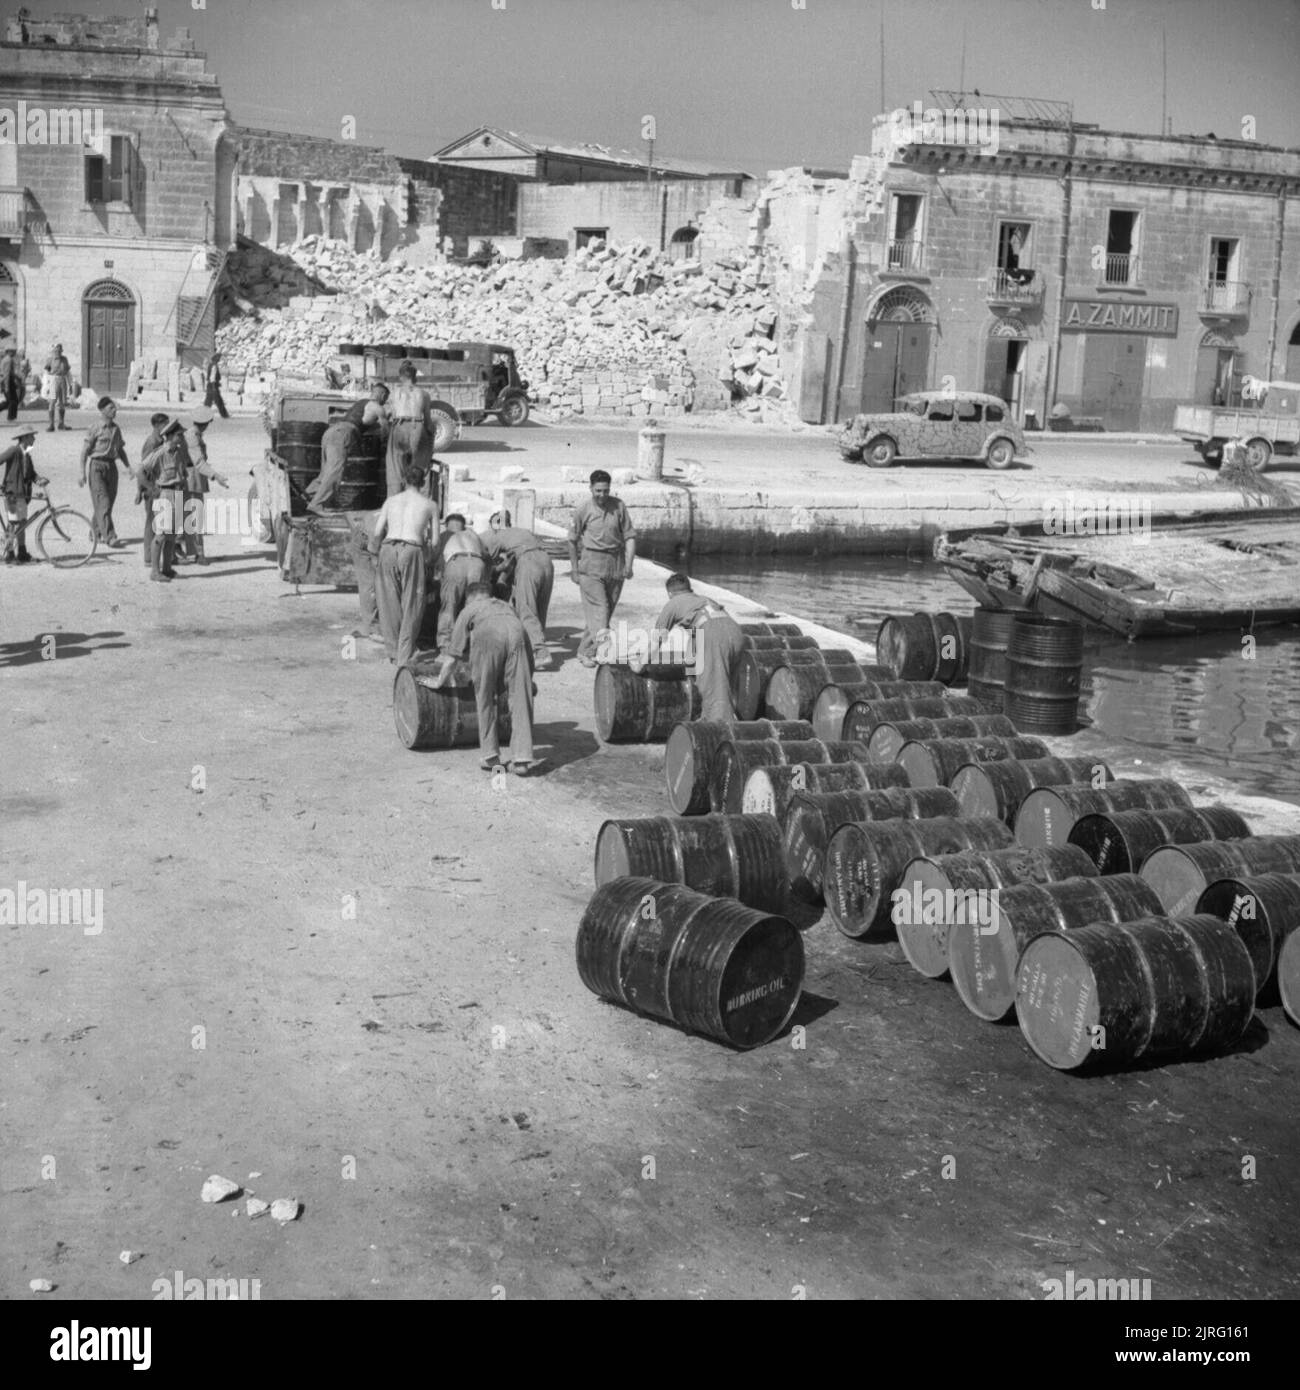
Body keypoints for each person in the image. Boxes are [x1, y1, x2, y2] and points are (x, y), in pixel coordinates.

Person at [427, 580, 536, 775]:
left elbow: (453, 656)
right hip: (516, 630)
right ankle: (521, 760)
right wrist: (528, 680)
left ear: (470, 598)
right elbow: (527, 648)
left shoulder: (470, 609)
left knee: (485, 696)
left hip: (489, 635)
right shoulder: (506, 606)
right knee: (520, 699)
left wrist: (440, 680)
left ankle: (490, 756)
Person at [371, 462, 438, 667]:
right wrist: (428, 561)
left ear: (404, 481)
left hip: (388, 548)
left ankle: (393, 652)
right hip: (412, 549)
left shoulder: (391, 501)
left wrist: (375, 555)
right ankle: (404, 654)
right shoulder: (430, 504)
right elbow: (435, 541)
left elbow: (377, 532)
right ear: (423, 482)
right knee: (412, 603)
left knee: (388, 601)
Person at [568, 469, 636, 667]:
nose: (602, 495)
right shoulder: (583, 510)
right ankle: (605, 647)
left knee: (604, 613)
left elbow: (630, 536)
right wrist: (574, 569)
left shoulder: (619, 507)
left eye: (605, 491)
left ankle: (585, 651)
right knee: (601, 610)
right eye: (598, 491)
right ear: (590, 489)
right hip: (591, 565)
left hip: (615, 565)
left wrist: (629, 565)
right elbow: (571, 540)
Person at [656, 573, 745, 722]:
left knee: (717, 692)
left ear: (670, 593)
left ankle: (720, 733)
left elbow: (656, 640)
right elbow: (698, 632)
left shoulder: (674, 603)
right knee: (728, 684)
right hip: (736, 634)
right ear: (690, 589)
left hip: (714, 635)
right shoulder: (704, 600)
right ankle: (726, 717)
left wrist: (640, 664)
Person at [481, 511, 555, 668]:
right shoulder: (522, 532)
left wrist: (495, 571)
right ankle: (535, 651)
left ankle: (540, 652)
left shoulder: (496, 536)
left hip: (528, 562)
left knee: (526, 608)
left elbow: (488, 562)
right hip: (546, 561)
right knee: (540, 607)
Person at [308, 383, 389, 514]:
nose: (385, 402)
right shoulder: (378, 408)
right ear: (383, 395)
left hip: (331, 431)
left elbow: (363, 420)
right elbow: (385, 431)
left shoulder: (362, 403)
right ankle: (317, 504)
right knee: (336, 470)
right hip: (343, 434)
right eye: (386, 399)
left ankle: (307, 496)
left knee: (326, 472)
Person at [79, 396, 131, 548]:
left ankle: (94, 531)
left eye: (114, 407)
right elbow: (84, 451)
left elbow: (120, 449)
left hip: (111, 468)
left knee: (106, 503)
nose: (114, 410)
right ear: (101, 410)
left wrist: (128, 467)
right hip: (97, 467)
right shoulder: (95, 428)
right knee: (104, 502)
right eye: (110, 408)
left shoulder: (116, 429)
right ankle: (110, 536)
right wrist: (82, 473)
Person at [179, 411, 230, 564]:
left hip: (193, 478)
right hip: (192, 479)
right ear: (205, 423)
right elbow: (199, 463)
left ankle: (192, 552)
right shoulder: (192, 437)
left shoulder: (193, 434)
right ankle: (198, 554)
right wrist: (216, 476)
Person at [435, 513, 487, 652]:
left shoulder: (445, 535)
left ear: (446, 525)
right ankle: (473, 645)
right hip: (477, 562)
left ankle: (445, 646)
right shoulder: (473, 534)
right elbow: (486, 555)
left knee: (449, 605)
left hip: (456, 562)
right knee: (474, 607)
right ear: (464, 525)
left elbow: (437, 563)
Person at [145, 419, 189, 582]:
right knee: (161, 534)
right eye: (178, 435)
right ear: (169, 436)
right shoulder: (160, 453)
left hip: (177, 493)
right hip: (165, 494)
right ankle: (155, 571)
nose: (181, 438)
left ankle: (167, 568)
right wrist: (151, 488)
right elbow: (141, 470)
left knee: (171, 535)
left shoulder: (178, 452)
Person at [385, 360, 435, 499]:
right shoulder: (424, 394)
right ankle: (420, 501)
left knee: (395, 466)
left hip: (399, 426)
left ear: (401, 377)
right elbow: (429, 422)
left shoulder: (394, 393)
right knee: (420, 466)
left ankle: (394, 501)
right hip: (417, 426)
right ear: (415, 377)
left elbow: (389, 414)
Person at [1, 426, 44, 564]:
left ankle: (22, 552)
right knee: (13, 524)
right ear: (25, 437)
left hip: (23, 495)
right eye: (32, 436)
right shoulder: (13, 451)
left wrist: (39, 479)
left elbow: (31, 473)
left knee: (22, 523)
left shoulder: (26, 454)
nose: (34, 438)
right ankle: (10, 554)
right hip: (12, 494)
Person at [135, 412, 170, 568]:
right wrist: (141, 490)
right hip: (152, 487)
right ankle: (148, 557)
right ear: (156, 425)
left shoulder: (161, 440)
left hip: (158, 485)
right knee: (151, 522)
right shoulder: (151, 442)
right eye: (165, 424)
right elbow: (142, 468)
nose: (167, 427)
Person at [346, 508, 383, 643]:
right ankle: (370, 627)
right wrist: (374, 556)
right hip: (368, 537)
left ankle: (372, 625)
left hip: (367, 533)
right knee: (370, 585)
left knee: (370, 584)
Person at [44, 344, 71, 431]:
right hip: (53, 381)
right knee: (52, 402)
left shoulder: (64, 359)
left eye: (59, 351)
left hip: (62, 381)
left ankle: (61, 423)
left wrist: (70, 384)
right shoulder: (50, 360)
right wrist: (46, 385)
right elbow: (46, 373)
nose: (57, 353)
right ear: (53, 351)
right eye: (55, 351)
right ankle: (51, 424)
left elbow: (68, 372)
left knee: (62, 402)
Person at [203, 350, 230, 419]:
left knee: (208, 401)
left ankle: (203, 414)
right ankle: (224, 415)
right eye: (219, 358)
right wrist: (214, 387)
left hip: (210, 385)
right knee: (218, 401)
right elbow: (212, 377)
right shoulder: (214, 366)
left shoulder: (210, 365)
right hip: (213, 386)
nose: (219, 360)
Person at [1, 348, 20, 422]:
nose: (14, 352)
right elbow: (6, 374)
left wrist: (16, 377)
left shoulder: (7, 359)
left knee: (11, 400)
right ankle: (11, 418)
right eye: (13, 351)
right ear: (9, 352)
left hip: (9, 381)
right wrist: (6, 386)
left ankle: (12, 417)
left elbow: (10, 372)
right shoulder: (8, 360)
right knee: (12, 400)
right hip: (8, 382)